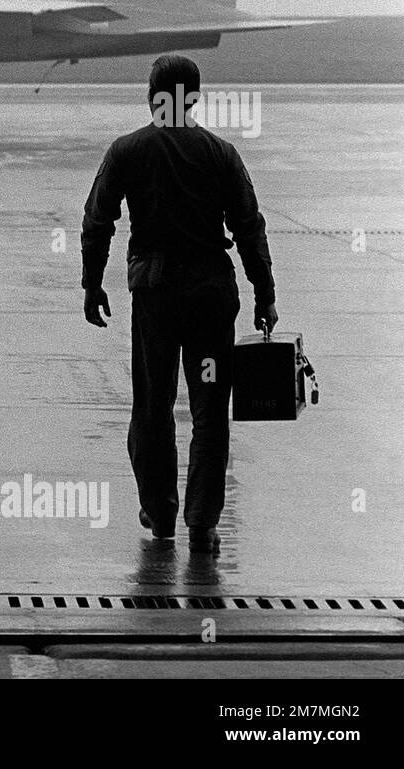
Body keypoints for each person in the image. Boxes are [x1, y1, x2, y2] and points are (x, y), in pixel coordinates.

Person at [80, 54, 278, 555]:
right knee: (210, 409)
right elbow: (249, 227)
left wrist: (92, 282)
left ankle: (160, 511)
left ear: (152, 96)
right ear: (195, 97)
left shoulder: (127, 150)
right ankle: (203, 523)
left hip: (156, 295)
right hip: (211, 299)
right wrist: (265, 294)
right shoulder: (221, 153)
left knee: (153, 404)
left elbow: (97, 219)